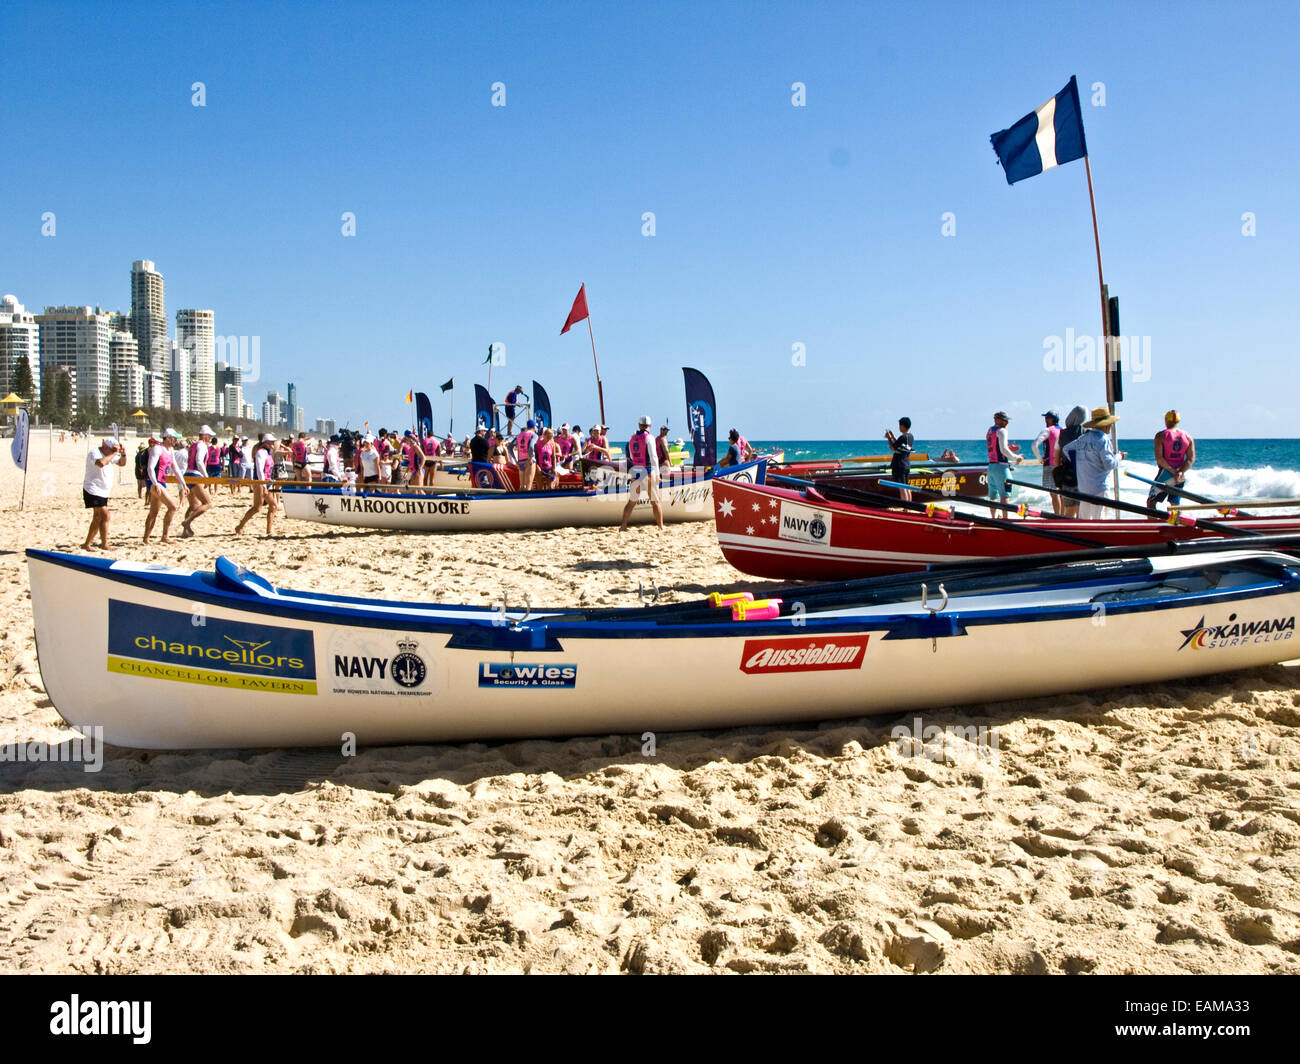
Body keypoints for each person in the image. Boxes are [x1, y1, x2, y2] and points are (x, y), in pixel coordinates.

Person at [1062, 406, 1126, 520]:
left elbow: (1066, 449)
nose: (1111, 427)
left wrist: (1079, 464)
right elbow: (1109, 464)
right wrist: (1119, 457)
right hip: (1099, 487)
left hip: (1084, 486)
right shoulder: (1103, 439)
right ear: (1105, 424)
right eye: (1110, 424)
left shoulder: (1083, 438)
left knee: (1084, 520)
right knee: (1099, 520)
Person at [619, 415, 664, 531]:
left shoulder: (632, 438)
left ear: (639, 425)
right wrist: (658, 474)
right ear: (650, 426)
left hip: (636, 471)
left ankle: (623, 526)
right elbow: (654, 457)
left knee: (632, 501)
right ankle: (660, 526)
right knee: (655, 501)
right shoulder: (649, 438)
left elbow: (630, 455)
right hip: (647, 471)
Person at [82, 436, 127, 551]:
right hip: (92, 489)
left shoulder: (109, 454)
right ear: (105, 447)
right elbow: (101, 463)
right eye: (111, 449)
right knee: (105, 515)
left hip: (103, 491)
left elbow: (122, 463)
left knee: (97, 517)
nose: (113, 452)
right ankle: (104, 544)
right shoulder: (94, 452)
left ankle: (88, 543)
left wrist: (123, 454)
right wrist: (114, 453)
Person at [143, 429, 186, 544]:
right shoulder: (157, 449)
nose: (176, 440)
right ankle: (165, 536)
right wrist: (155, 483)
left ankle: (146, 538)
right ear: (168, 438)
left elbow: (175, 468)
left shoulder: (171, 450)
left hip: (161, 482)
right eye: (174, 438)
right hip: (154, 482)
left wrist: (183, 483)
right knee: (172, 506)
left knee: (154, 512)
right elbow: (150, 467)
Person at [1147, 410, 1196, 508]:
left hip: (1166, 474)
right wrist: (1181, 472)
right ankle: (1176, 522)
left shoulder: (1161, 436)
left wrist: (1172, 471)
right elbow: (1191, 459)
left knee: (1151, 502)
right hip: (1180, 476)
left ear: (1166, 420)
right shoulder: (1188, 437)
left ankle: (1153, 523)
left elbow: (1159, 459)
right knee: (1175, 504)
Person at [180, 425, 217, 538]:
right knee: (208, 503)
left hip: (188, 474)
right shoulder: (202, 446)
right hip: (195, 475)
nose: (210, 439)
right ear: (204, 436)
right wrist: (206, 478)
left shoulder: (193, 445)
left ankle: (185, 531)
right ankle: (187, 522)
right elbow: (199, 461)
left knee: (193, 505)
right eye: (209, 436)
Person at [985, 411, 1024, 517]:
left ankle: (992, 518)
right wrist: (1017, 457)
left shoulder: (990, 431)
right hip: (1001, 467)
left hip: (991, 466)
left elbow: (997, 448)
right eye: (1005, 420)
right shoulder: (1002, 431)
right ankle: (1005, 520)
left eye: (1007, 421)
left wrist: (1009, 450)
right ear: (998, 420)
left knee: (993, 495)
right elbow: (1003, 450)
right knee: (1005, 495)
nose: (1006, 423)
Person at [1052, 406, 1087, 518]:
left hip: (1068, 478)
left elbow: (1056, 459)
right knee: (1082, 512)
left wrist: (1060, 474)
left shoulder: (1062, 435)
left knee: (1068, 512)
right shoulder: (1086, 433)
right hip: (1084, 478)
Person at [1032, 410, 1063, 513]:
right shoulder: (1064, 430)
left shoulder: (1048, 430)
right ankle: (1064, 517)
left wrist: (1040, 459)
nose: (1045, 419)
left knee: (1054, 494)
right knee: (1062, 494)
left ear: (1052, 419)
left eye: (1047, 418)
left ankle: (1057, 518)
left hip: (1050, 464)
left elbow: (1034, 445)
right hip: (1063, 464)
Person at [884, 417, 914, 501]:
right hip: (906, 463)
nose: (899, 427)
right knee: (906, 486)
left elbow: (893, 448)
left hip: (899, 464)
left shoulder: (903, 437)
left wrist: (889, 438)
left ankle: (905, 506)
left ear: (903, 426)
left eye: (900, 425)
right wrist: (893, 437)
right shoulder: (910, 436)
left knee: (902, 487)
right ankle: (909, 506)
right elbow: (901, 445)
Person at [516, 419, 538, 491]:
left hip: (520, 460)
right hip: (529, 460)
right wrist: (530, 458)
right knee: (528, 486)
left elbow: (510, 447)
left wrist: (516, 460)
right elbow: (531, 447)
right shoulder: (534, 435)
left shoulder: (519, 435)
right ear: (534, 427)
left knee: (522, 486)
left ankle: (519, 501)